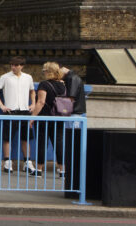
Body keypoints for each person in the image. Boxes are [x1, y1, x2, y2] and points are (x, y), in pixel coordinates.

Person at [0, 55, 39, 175]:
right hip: (10, 110)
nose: (13, 67)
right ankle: (7, 162)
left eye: (16, 65)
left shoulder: (28, 77)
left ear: (21, 66)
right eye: (12, 65)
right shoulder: (5, 77)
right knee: (7, 137)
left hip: (24, 110)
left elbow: (32, 91)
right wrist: (1, 105)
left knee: (26, 137)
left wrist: (33, 103)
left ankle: (27, 163)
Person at [32, 61, 67, 178]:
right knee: (59, 144)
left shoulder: (44, 84)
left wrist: (31, 118)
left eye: (44, 70)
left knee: (42, 143)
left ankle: (39, 170)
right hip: (59, 118)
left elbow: (41, 102)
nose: (43, 72)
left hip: (44, 118)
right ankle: (62, 170)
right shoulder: (62, 84)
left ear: (48, 72)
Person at [57, 61, 87, 190]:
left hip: (74, 114)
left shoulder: (72, 78)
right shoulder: (72, 78)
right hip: (75, 113)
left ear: (63, 68)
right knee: (72, 141)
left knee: (73, 141)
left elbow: (71, 98)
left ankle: (73, 171)